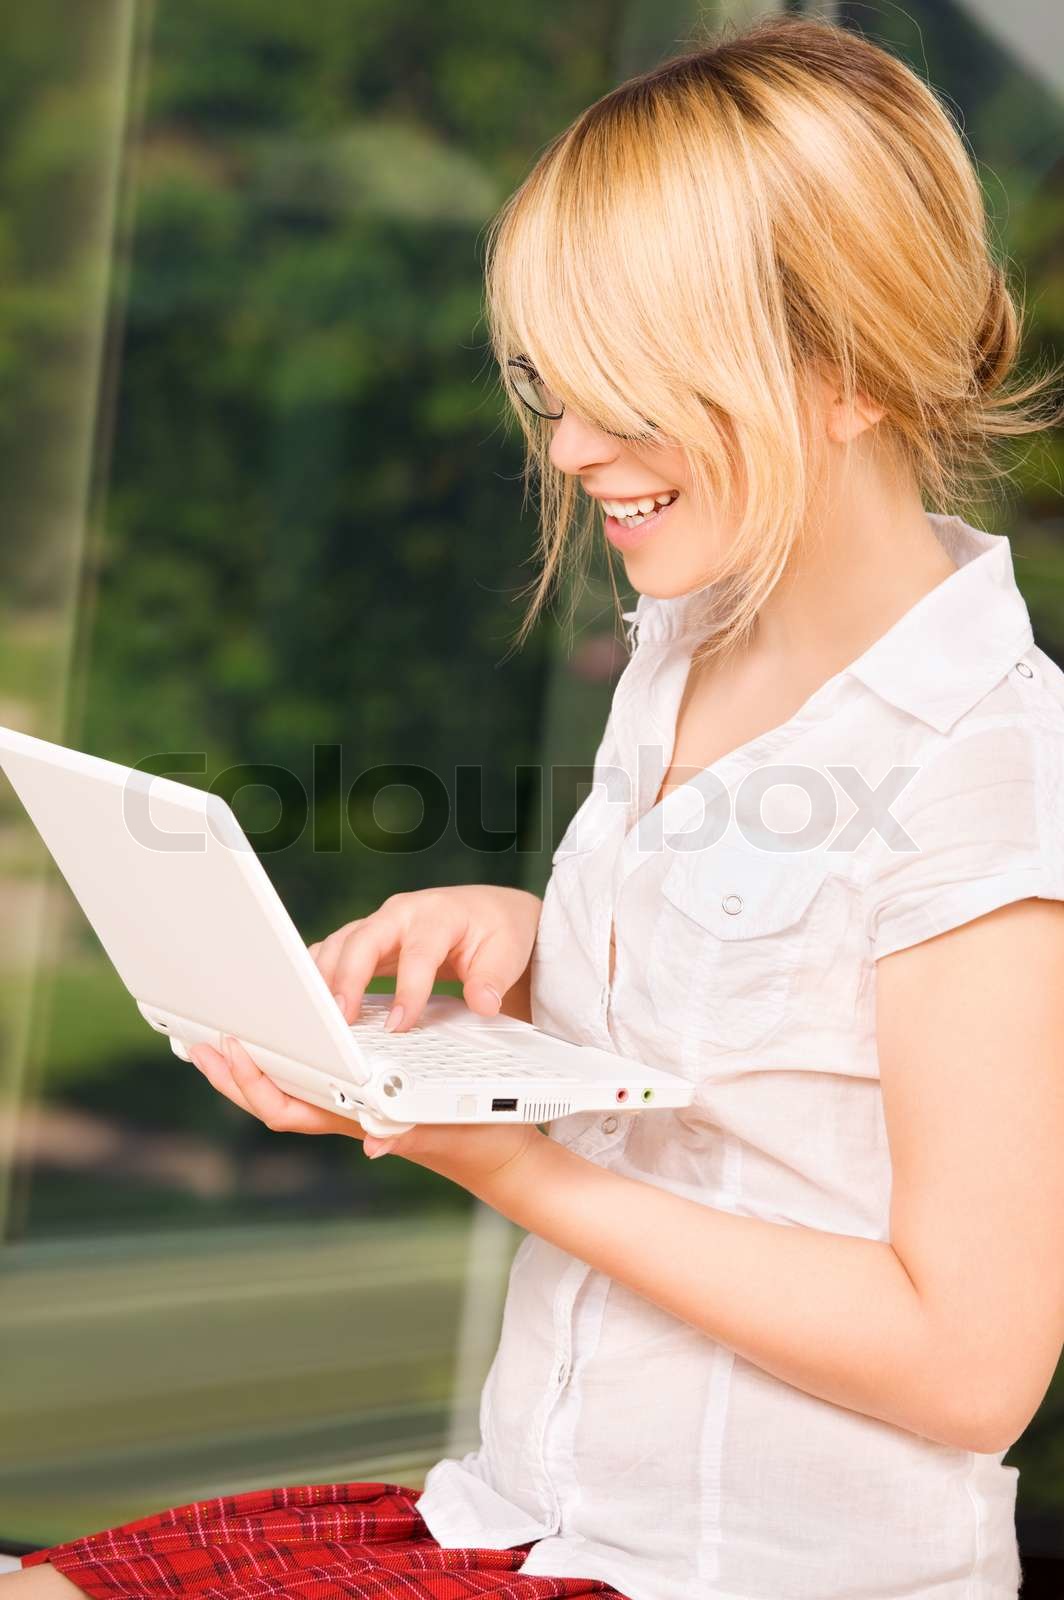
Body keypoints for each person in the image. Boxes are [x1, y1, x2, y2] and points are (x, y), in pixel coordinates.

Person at [9, 12, 1064, 1600]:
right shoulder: (690, 643)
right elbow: (758, 1058)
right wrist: (535, 944)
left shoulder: (990, 769)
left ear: (845, 370)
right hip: (518, 1516)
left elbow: (966, 1367)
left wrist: (513, 1167)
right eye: (555, 390)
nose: (572, 449)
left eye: (632, 398)